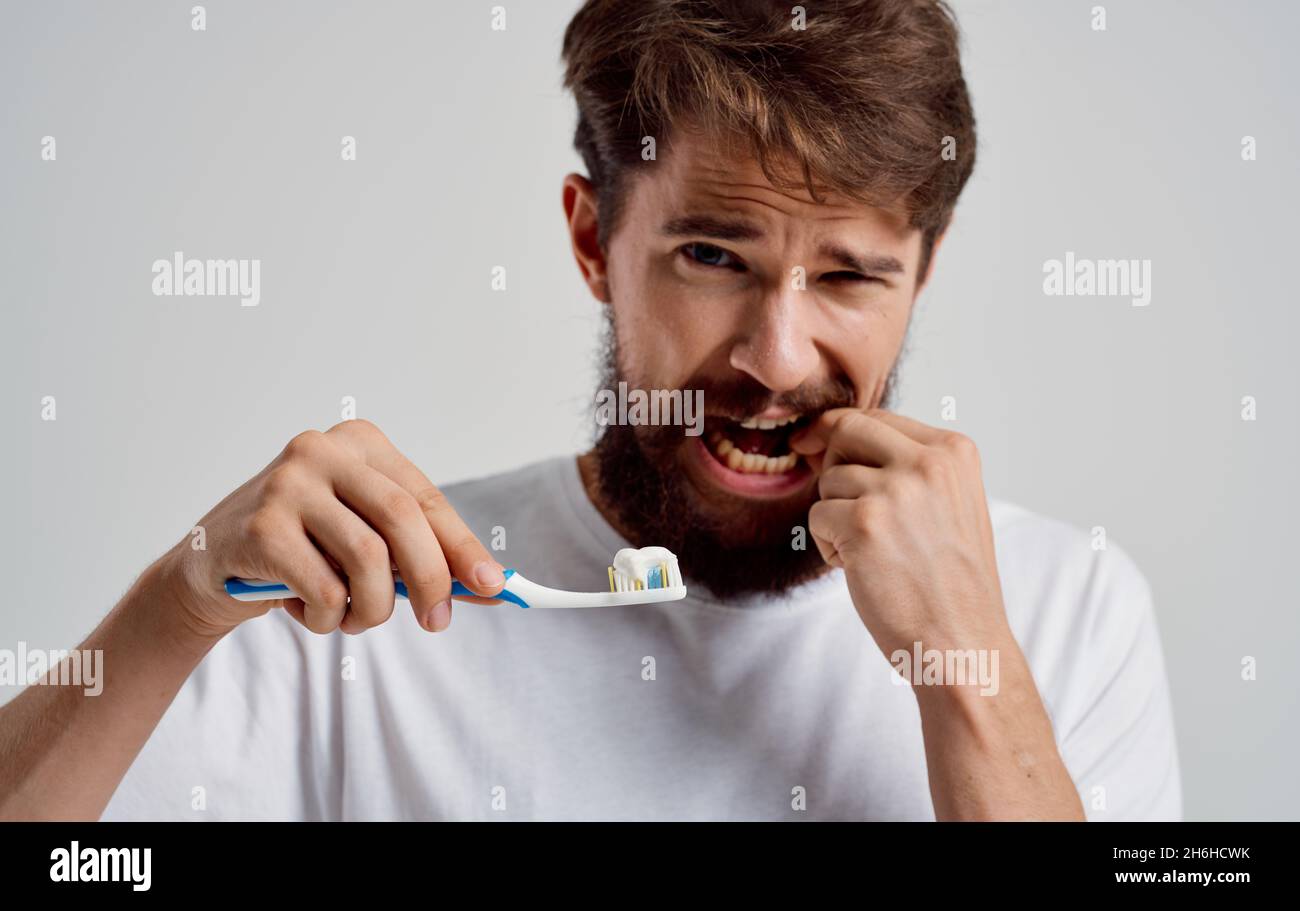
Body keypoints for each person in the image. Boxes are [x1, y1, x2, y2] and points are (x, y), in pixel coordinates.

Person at [0, 0, 1180, 821]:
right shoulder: (355, 610)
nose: (776, 357)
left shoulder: (1068, 607)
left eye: (849, 274)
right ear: (591, 238)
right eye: (713, 253)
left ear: (923, 269)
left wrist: (966, 673)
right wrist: (179, 598)